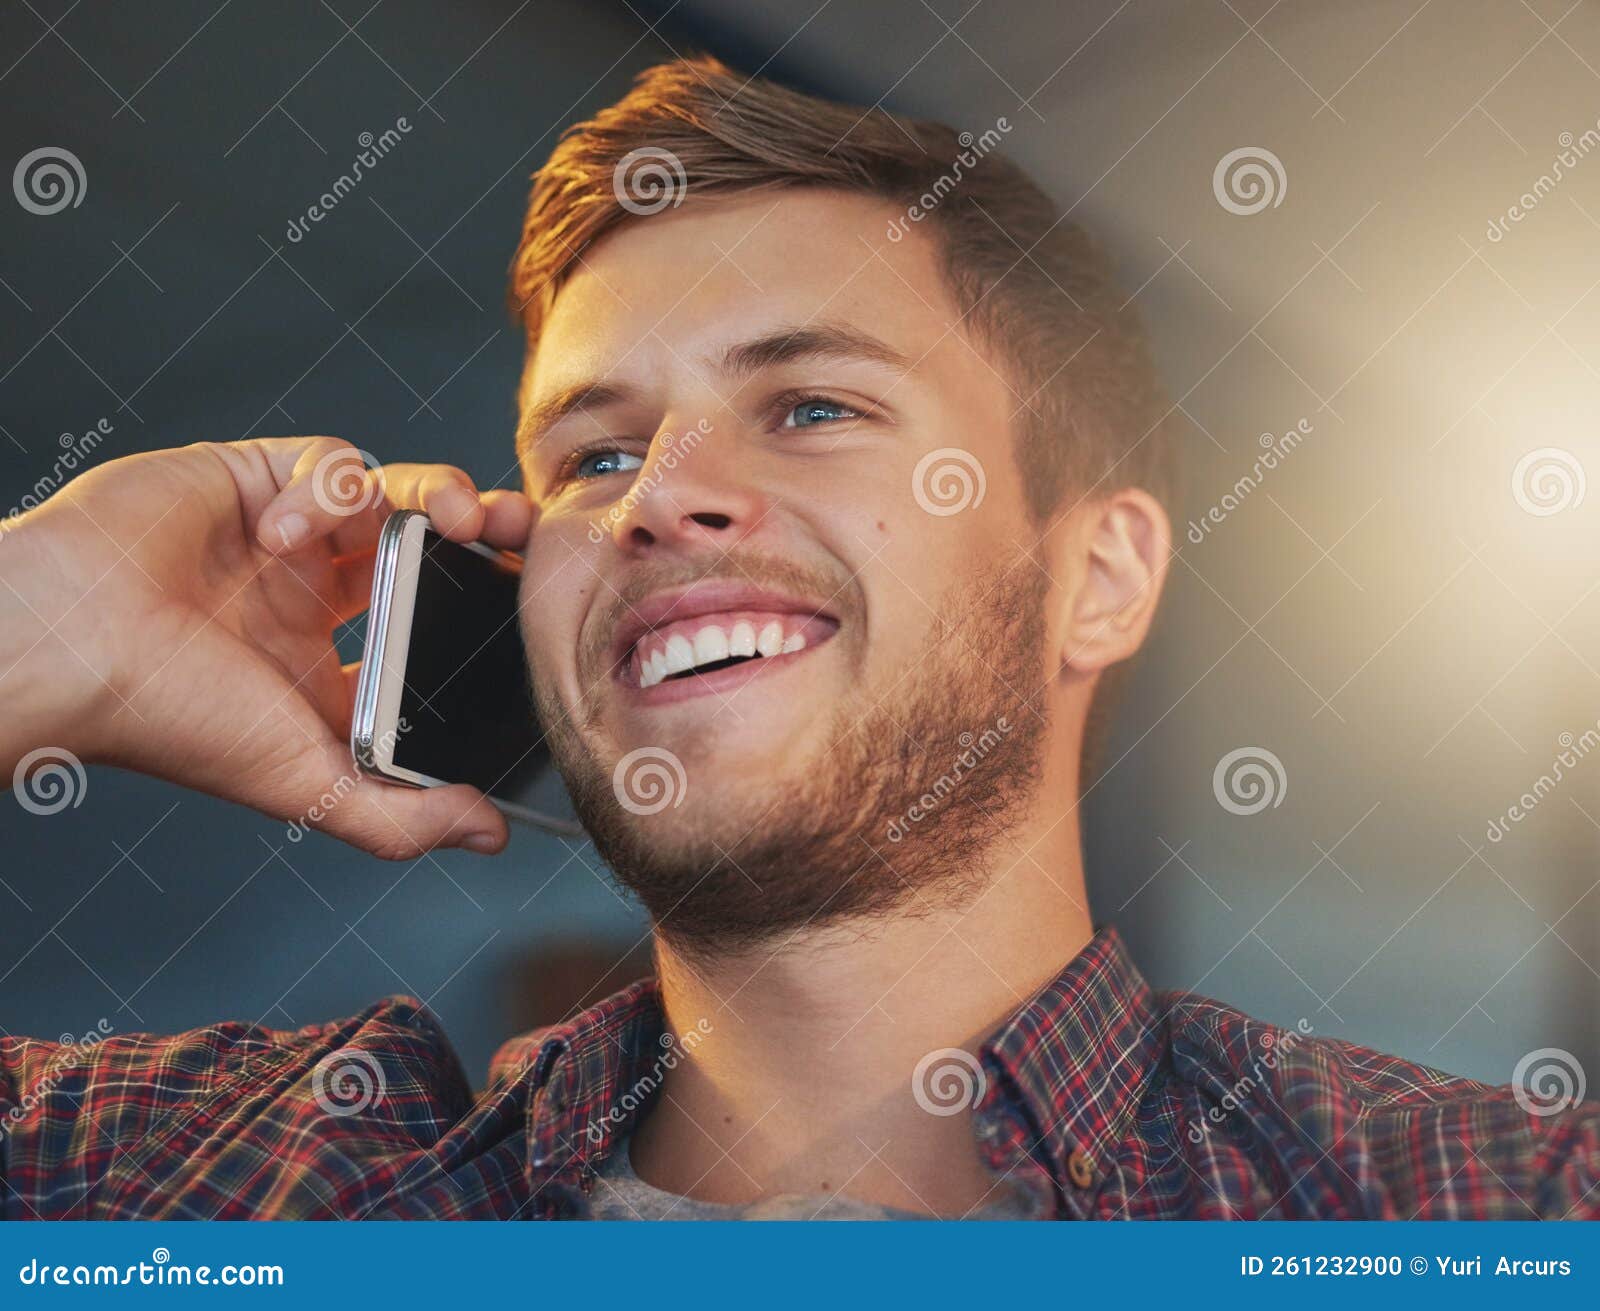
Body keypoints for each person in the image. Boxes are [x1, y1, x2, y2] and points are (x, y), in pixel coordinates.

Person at [1, 56, 1595, 1221]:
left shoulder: (1490, 1208)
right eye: (595, 456)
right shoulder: (203, 1183)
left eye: (813, 407)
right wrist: (42, 625)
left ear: (1100, 578)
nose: (656, 503)